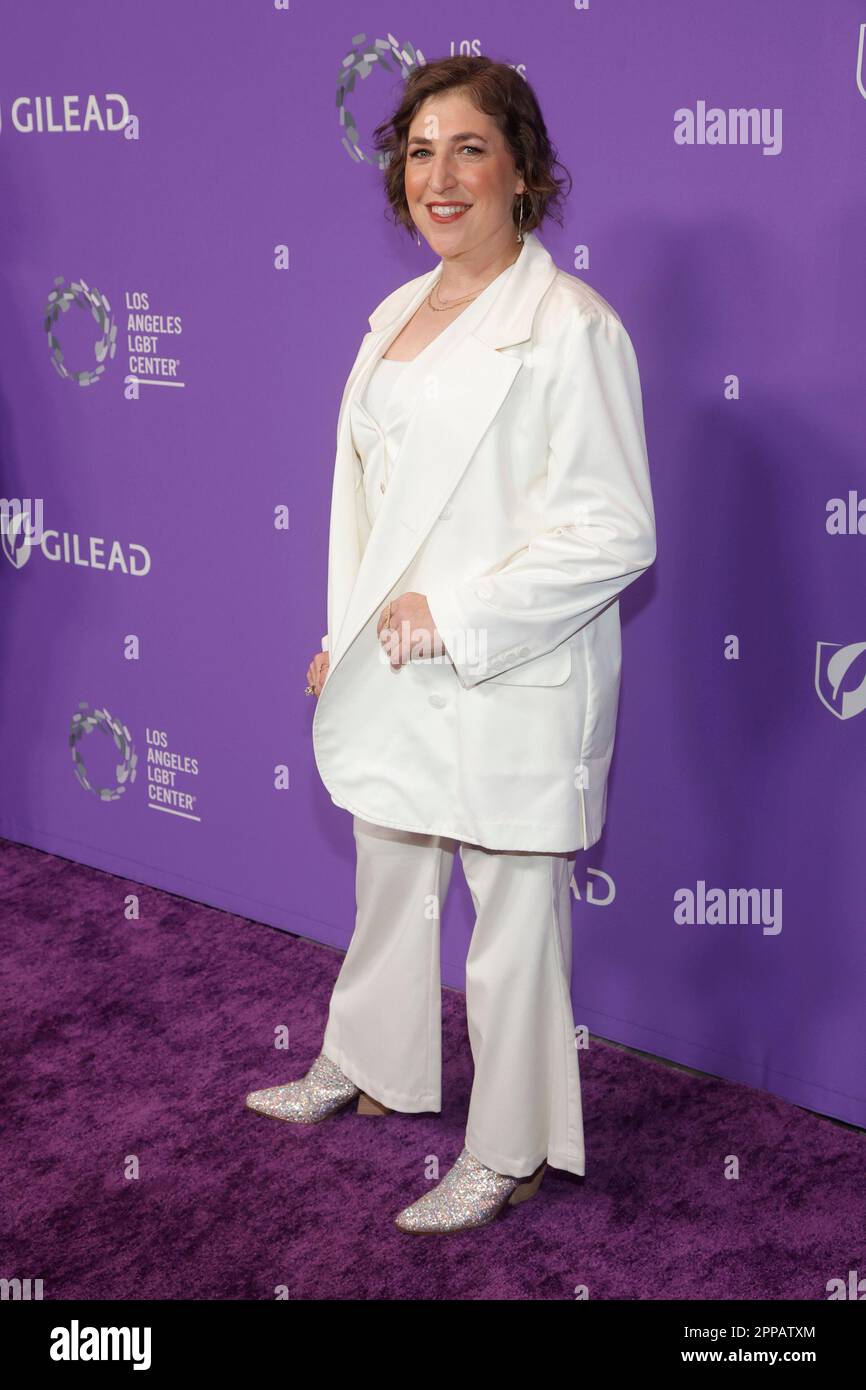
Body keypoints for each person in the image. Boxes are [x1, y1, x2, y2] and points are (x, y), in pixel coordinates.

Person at [246, 54, 657, 1236]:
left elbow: (614, 531)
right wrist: (346, 634)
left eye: (468, 148)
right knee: (388, 878)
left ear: (521, 171)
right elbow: (365, 504)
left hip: (511, 671)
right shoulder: (393, 319)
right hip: (396, 668)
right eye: (419, 152)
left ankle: (510, 1149)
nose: (440, 176)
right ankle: (371, 1066)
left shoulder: (570, 327)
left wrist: (457, 616)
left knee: (513, 924)